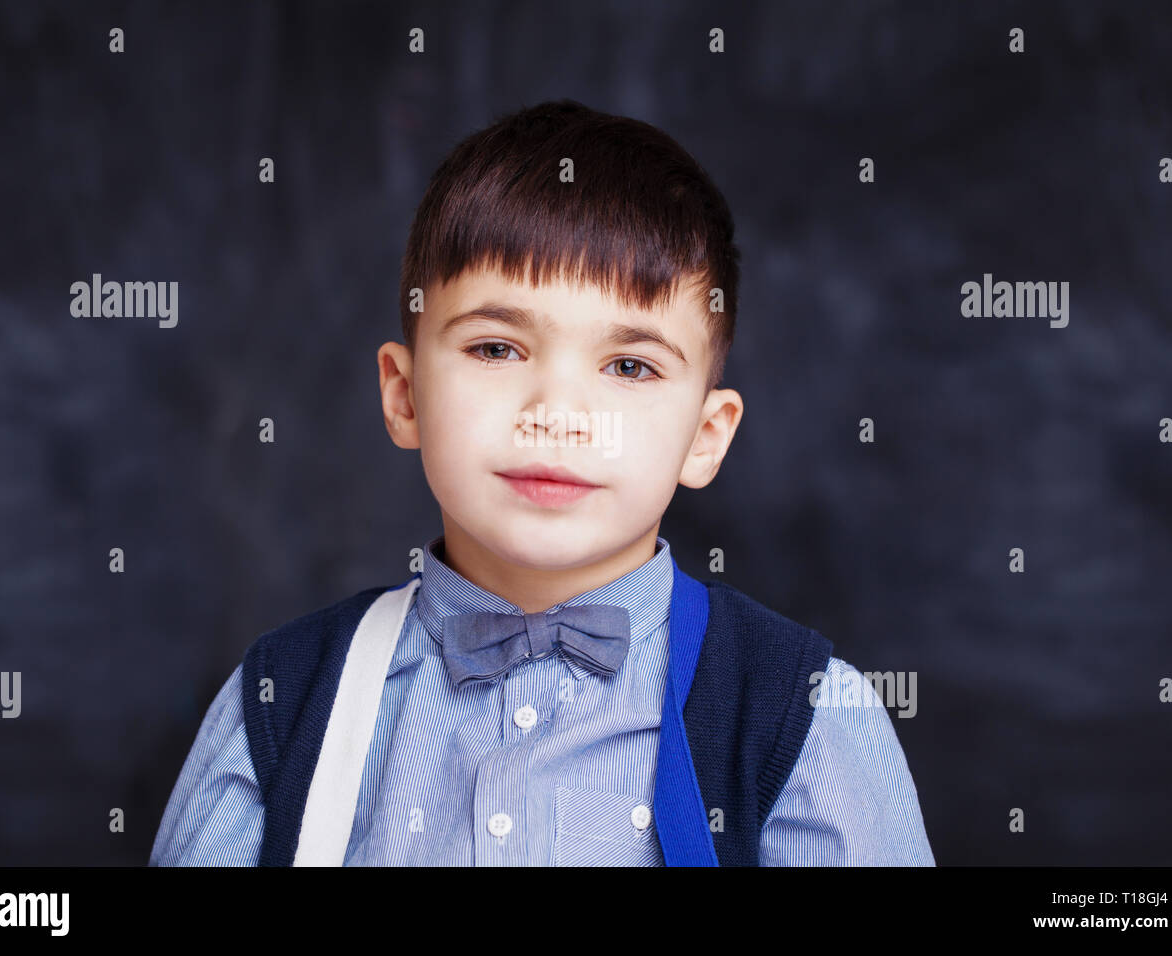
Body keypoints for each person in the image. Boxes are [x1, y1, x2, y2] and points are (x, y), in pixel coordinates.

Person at [150, 99, 934, 866]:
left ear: (705, 436)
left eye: (630, 366)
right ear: (404, 395)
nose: (559, 414)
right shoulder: (280, 703)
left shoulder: (803, 717)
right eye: (496, 349)